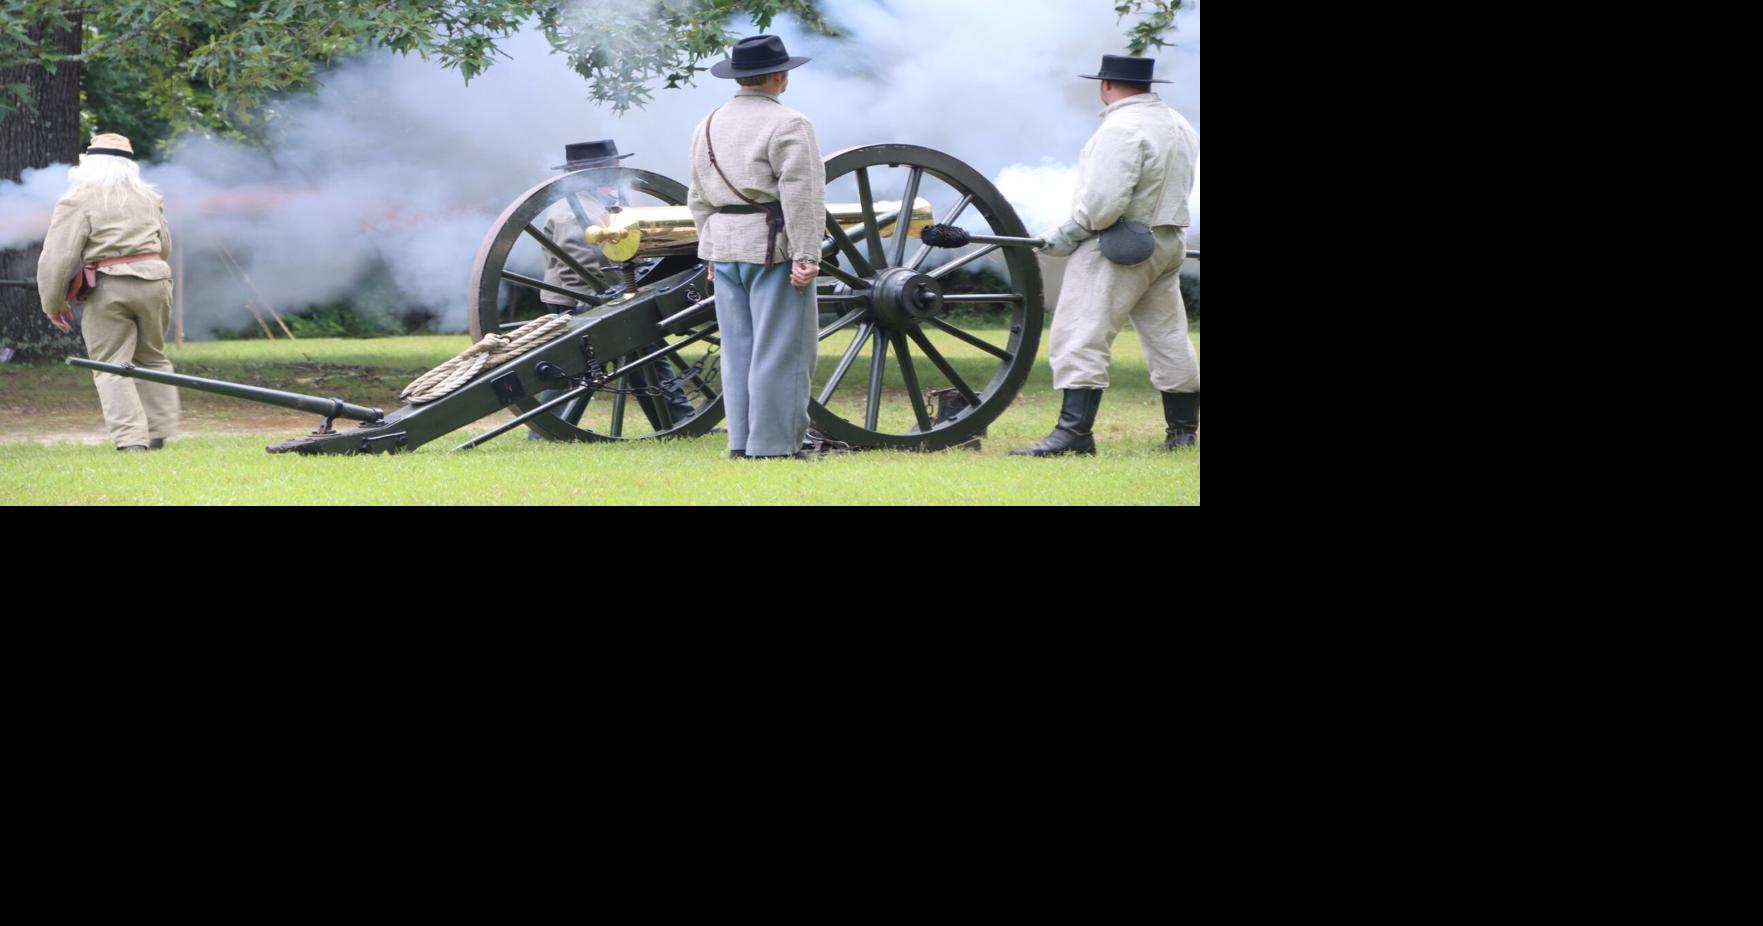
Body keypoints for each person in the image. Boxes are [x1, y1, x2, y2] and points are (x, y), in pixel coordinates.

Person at [1011, 55, 1201, 457]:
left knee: (1080, 332)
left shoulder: (1121, 128)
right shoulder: (1179, 124)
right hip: (1167, 243)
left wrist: (1067, 234)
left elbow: (1102, 204)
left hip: (1119, 245)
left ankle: (1074, 435)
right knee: (1168, 337)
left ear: (1107, 85)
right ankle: (1183, 433)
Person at [685, 34, 825, 460]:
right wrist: (806, 254)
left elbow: (698, 196)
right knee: (782, 350)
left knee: (739, 350)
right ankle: (776, 446)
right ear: (779, 77)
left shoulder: (708, 123)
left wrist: (708, 251)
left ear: (741, 77)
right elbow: (802, 194)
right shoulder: (790, 124)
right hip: (771, 248)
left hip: (724, 246)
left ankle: (741, 442)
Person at [530, 139, 695, 438]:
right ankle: (545, 431)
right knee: (572, 367)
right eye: (612, 167)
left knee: (647, 358)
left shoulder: (600, 203)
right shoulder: (572, 212)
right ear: (593, 172)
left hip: (609, 295)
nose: (618, 172)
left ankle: (678, 421)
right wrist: (640, 280)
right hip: (580, 300)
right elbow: (583, 263)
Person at [37, 133, 179, 452]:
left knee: (110, 364)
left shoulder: (79, 199)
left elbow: (57, 258)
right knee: (153, 358)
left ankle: (131, 442)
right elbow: (164, 246)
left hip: (109, 285)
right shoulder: (149, 197)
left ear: (90, 163)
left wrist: (53, 302)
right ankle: (158, 434)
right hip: (155, 281)